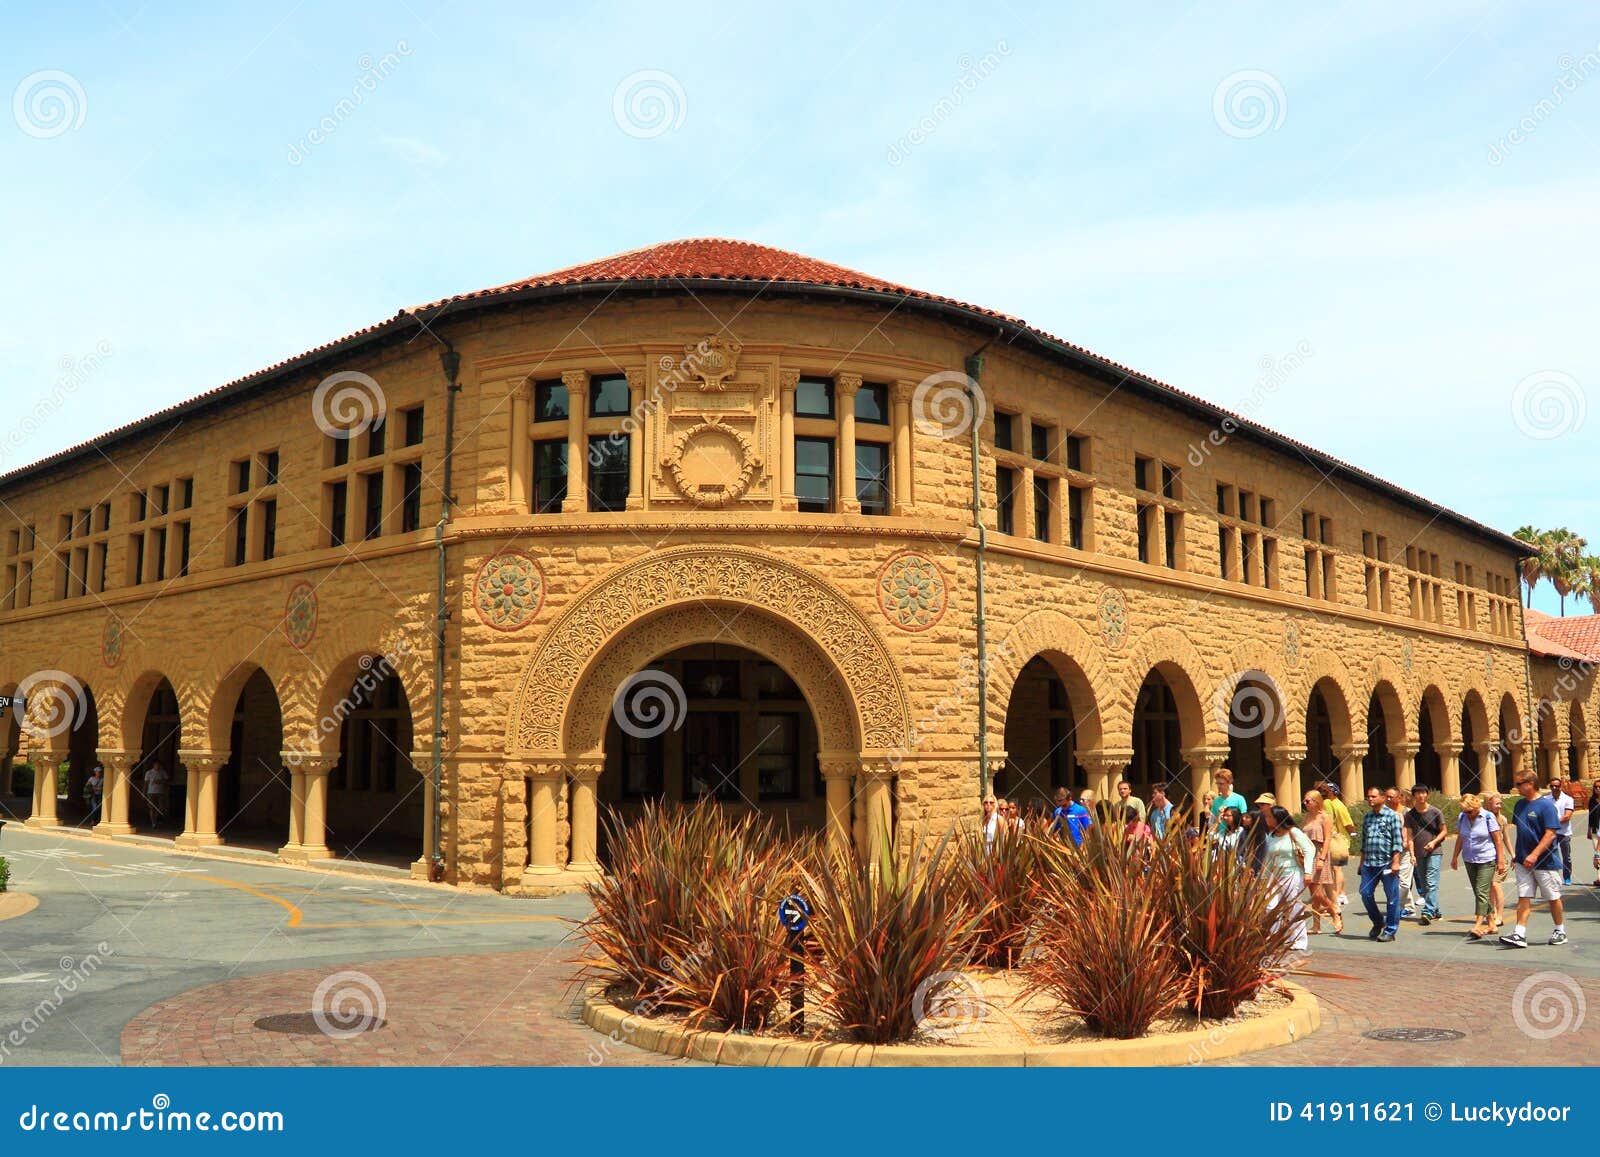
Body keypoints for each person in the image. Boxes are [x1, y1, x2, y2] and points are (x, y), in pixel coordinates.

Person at [1501, 770, 1567, 948]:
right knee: (1523, 896)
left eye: (1519, 784)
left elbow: (1550, 834)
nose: (1516, 787)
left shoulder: (1546, 806)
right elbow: (1522, 832)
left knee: (1552, 897)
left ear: (1530, 784)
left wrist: (1535, 854)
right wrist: (1518, 855)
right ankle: (1519, 933)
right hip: (1523, 861)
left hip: (1545, 861)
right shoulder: (1519, 805)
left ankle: (1560, 930)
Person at [1450, 792, 1506, 940]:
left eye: (1470, 811)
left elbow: (1498, 840)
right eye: (1464, 811)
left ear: (1476, 806)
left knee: (1481, 891)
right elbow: (1460, 838)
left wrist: (1501, 861)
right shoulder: (1462, 817)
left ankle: (1478, 925)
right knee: (1479, 892)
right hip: (1469, 859)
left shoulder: (1488, 817)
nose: (1467, 814)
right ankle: (1492, 924)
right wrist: (1454, 856)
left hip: (1487, 859)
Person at [1261, 806, 1316, 953]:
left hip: (1292, 873)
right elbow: (1268, 858)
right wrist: (1264, 877)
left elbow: (1309, 850)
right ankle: (1274, 937)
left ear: (1277, 818)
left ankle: (1299, 940)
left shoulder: (1293, 832)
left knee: (1293, 907)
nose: (1267, 819)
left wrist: (1308, 872)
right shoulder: (1272, 835)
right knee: (1270, 906)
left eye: (1269, 817)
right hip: (1274, 875)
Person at [1358, 785, 1405, 942]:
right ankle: (1378, 922)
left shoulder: (1393, 816)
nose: (1370, 799)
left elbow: (1397, 841)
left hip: (1387, 863)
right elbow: (1364, 842)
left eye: (1373, 796)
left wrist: (1396, 862)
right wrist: (1361, 863)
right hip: (1369, 864)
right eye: (1368, 796)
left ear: (1382, 798)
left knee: (1392, 898)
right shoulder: (1367, 817)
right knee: (1365, 893)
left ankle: (1390, 931)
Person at [1405, 784, 1446, 925]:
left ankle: (1427, 912)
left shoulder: (1436, 812)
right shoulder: (1409, 815)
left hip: (1435, 852)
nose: (1421, 795)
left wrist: (1434, 842)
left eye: (1423, 793)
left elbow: (1444, 831)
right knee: (1424, 884)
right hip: (1418, 853)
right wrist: (1412, 854)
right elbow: (1409, 837)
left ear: (1427, 794)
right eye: (1418, 793)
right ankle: (1435, 910)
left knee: (1431, 881)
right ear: (1414, 796)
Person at [1301, 789, 1340, 933]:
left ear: (1317, 802)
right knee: (1313, 892)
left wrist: (1322, 858)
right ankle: (1316, 925)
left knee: (1318, 893)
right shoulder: (1307, 817)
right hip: (1307, 854)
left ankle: (1335, 912)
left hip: (1319, 853)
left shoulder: (1325, 816)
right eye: (1304, 801)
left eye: (1308, 801)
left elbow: (1328, 838)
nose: (1305, 803)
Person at [1318, 780, 1356, 911]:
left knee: (1336, 869)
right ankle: (1342, 894)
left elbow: (1348, 823)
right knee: (1336, 869)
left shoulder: (1337, 805)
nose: (1325, 793)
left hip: (1338, 840)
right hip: (1338, 840)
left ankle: (1338, 894)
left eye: (1327, 791)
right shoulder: (1332, 803)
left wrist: (1351, 834)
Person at [1386, 787, 1418, 916]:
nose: (1388, 799)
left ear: (1399, 798)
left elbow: (1414, 832)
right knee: (1396, 881)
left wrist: (1408, 845)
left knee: (1404, 882)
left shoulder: (1408, 813)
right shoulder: (1385, 812)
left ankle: (1396, 908)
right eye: (1386, 797)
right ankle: (1409, 908)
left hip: (1406, 851)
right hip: (1391, 852)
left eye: (1391, 797)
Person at [1485, 791, 1509, 931]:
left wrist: (1513, 855)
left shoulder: (1503, 819)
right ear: (1489, 804)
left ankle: (1499, 916)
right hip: (1487, 857)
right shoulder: (1483, 818)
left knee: (1495, 884)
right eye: (1496, 804)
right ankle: (1492, 913)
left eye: (1500, 803)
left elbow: (1506, 839)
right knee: (1489, 887)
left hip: (1500, 857)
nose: (1499, 806)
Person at [1548, 775, 1575, 887]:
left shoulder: (1568, 799)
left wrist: (1551, 823)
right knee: (1552, 855)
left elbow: (1567, 816)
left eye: (1557, 786)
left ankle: (1567, 876)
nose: (1554, 788)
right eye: (1552, 786)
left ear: (1561, 786)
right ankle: (1554, 877)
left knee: (1566, 856)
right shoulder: (1546, 800)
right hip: (1551, 833)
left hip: (1564, 832)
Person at [142, 759, 170, 828]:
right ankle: (153, 822)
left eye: (159, 765)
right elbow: (146, 784)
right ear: (153, 765)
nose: (157, 766)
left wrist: (161, 781)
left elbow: (167, 781)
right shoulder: (149, 773)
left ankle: (156, 818)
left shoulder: (162, 772)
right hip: (151, 792)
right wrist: (143, 793)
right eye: (156, 765)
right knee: (152, 808)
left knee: (161, 807)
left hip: (160, 792)